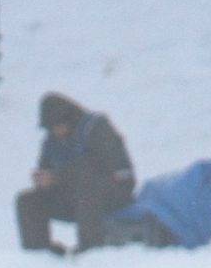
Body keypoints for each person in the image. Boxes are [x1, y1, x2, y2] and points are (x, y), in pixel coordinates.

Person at [15, 92, 136, 255]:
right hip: (75, 198)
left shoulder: (97, 128)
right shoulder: (51, 142)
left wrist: (57, 176)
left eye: (58, 125)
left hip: (114, 191)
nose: (55, 131)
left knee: (87, 189)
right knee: (28, 200)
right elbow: (48, 170)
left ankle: (90, 251)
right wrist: (43, 181)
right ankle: (40, 254)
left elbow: (98, 166)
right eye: (51, 128)